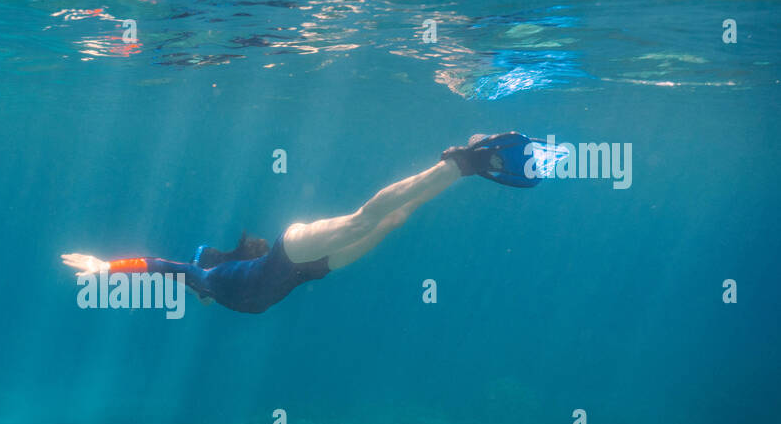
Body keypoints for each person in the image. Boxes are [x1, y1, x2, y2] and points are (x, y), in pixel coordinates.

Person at [60, 132, 557, 315]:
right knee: (391, 222)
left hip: (290, 254)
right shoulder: (217, 285)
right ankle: (469, 166)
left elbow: (158, 265)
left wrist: (106, 267)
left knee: (369, 217)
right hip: (307, 270)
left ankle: (462, 162)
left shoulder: (206, 278)